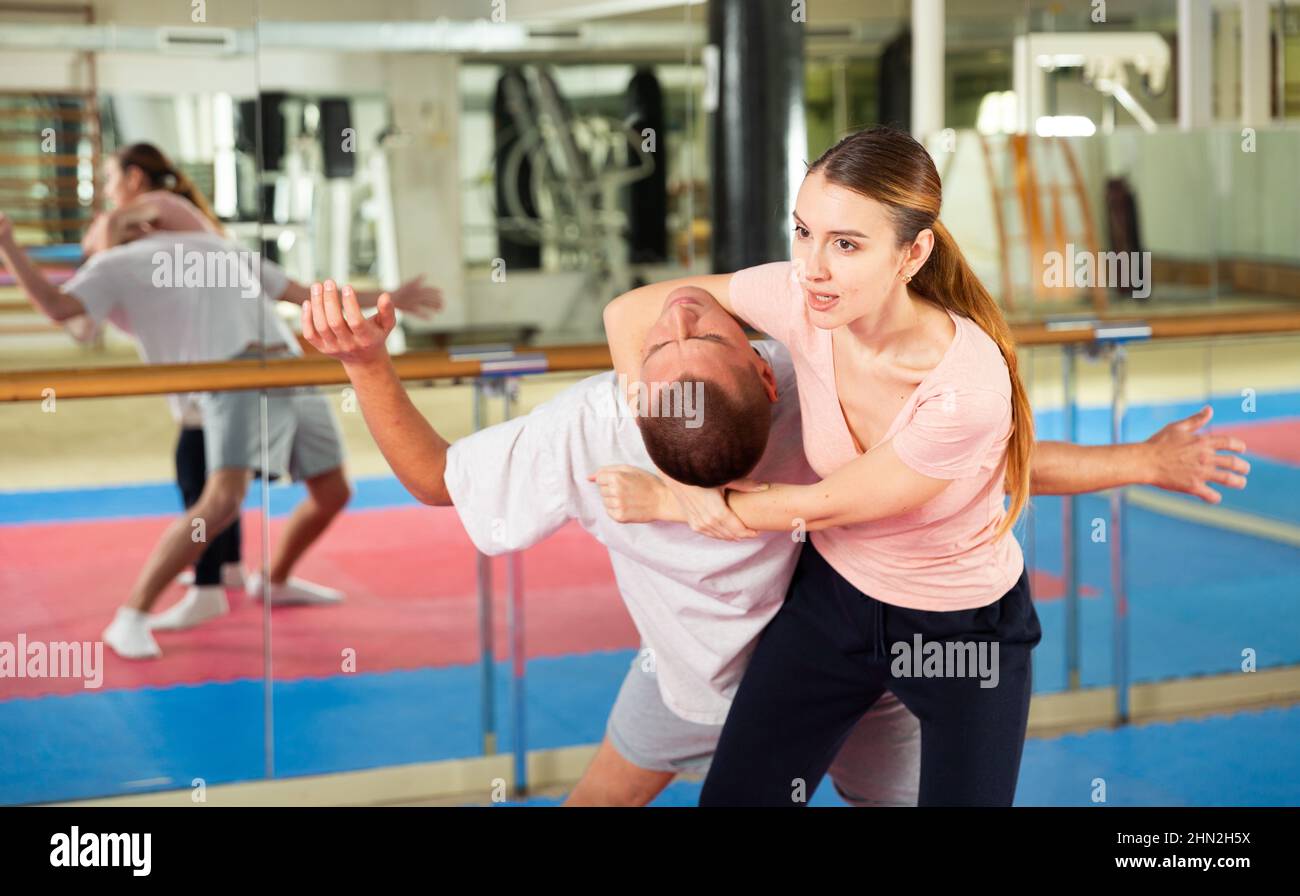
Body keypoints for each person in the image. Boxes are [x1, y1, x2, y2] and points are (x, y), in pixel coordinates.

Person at [299, 280, 1248, 806]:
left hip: (800, 669)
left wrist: (364, 362)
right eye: (683, 337)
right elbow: (994, 461)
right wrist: (1143, 460)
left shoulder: (599, 424)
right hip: (738, 675)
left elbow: (435, 480)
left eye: (681, 337)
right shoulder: (808, 380)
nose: (677, 314)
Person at [600, 126, 1251, 806]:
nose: (813, 267)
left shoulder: (964, 384)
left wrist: (677, 504)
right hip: (832, 601)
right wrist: (673, 462)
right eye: (802, 232)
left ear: (913, 253)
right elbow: (632, 311)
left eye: (846, 244)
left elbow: (830, 502)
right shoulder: (800, 302)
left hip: (960, 630)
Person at [0, 214, 436, 659]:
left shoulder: (216, 248)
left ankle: (274, 580)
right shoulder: (113, 265)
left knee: (334, 490)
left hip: (290, 368)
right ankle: (131, 614)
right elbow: (59, 308)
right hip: (234, 377)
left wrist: (391, 298)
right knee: (223, 500)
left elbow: (303, 294)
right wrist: (9, 246)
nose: (128, 216)